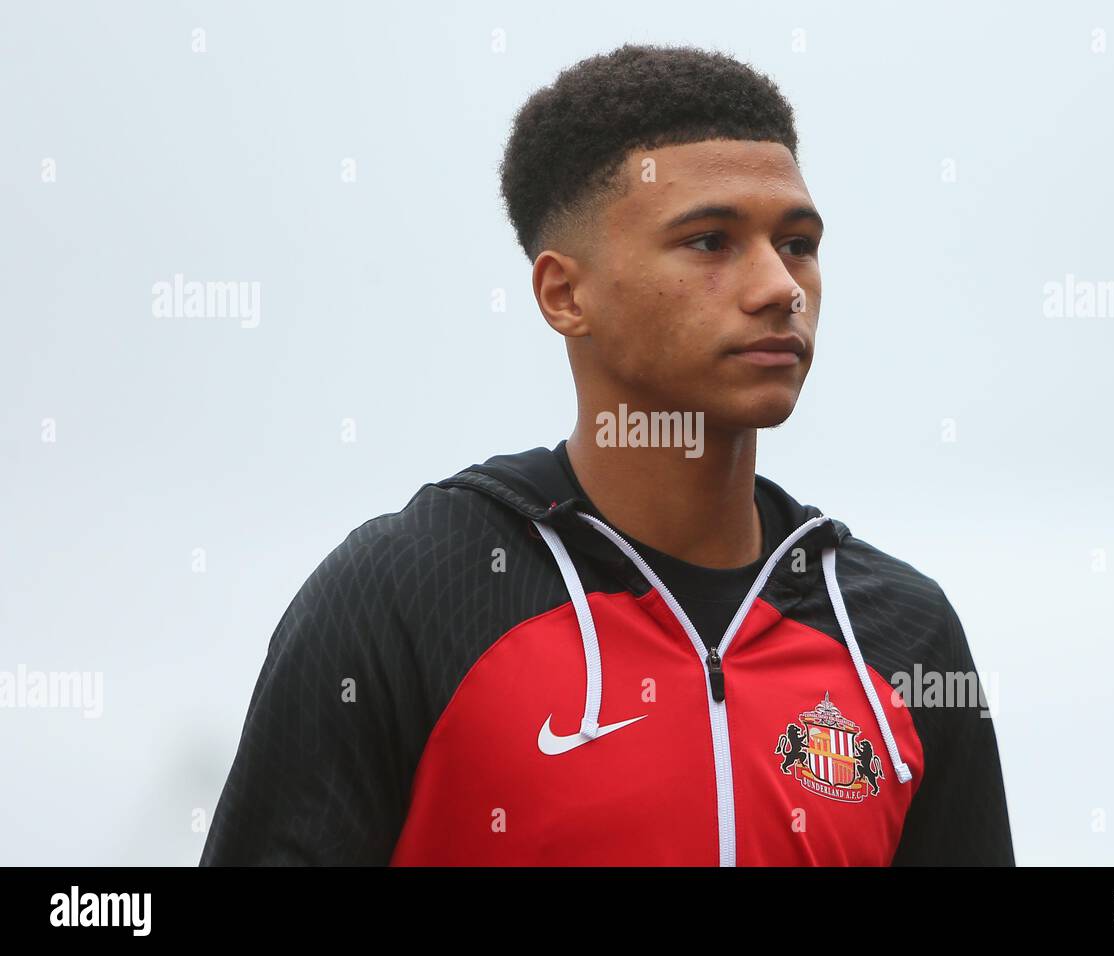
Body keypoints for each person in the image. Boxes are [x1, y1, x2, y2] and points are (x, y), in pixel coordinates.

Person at [200, 42, 1014, 866]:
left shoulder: (903, 634)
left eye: (798, 243)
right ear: (565, 295)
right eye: (710, 242)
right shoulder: (408, 592)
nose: (781, 286)